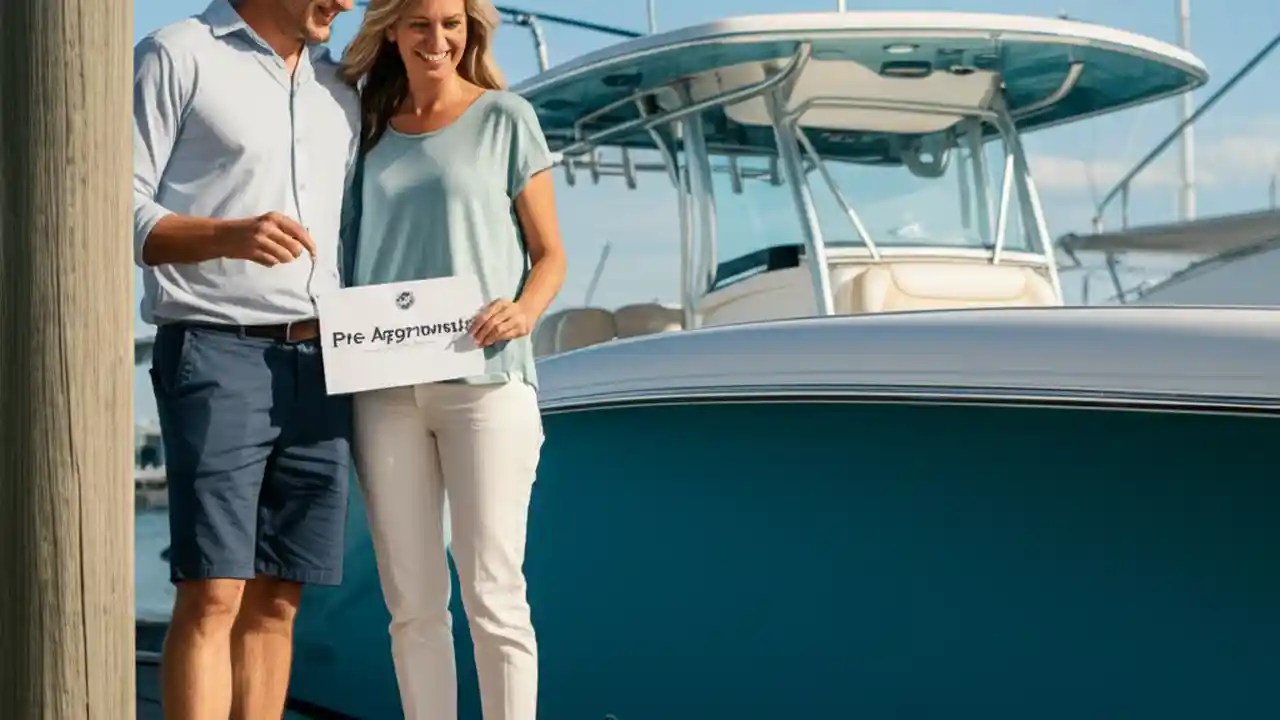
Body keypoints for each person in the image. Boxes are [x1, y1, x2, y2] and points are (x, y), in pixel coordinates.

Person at [338, 0, 567, 717]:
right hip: (384, 391)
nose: (436, 39)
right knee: (411, 604)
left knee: (493, 590)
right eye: (419, 24)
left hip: (486, 382)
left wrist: (524, 310)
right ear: (391, 31)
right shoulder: (365, 131)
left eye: (451, 24)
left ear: (469, 32)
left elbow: (551, 253)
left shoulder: (505, 118)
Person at [131, 1, 360, 718]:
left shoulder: (339, 88)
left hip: (325, 359)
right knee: (212, 591)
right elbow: (113, 204)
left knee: (280, 599)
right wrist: (226, 235)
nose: (347, 3)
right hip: (215, 348)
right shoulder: (177, 53)